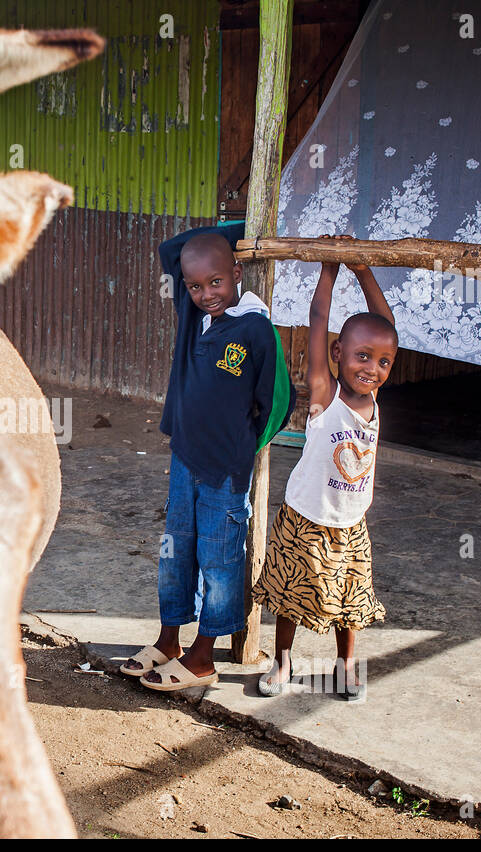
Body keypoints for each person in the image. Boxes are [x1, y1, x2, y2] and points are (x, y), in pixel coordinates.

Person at [121, 225, 294, 692]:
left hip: (225, 471)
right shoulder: (191, 313)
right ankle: (169, 639)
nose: (205, 294)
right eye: (195, 286)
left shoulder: (256, 329)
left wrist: (242, 445)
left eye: (216, 281)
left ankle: (203, 656)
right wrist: (232, 237)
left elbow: (279, 401)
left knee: (219, 561)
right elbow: (171, 250)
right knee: (175, 552)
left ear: (236, 272)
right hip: (184, 459)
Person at [252, 235, 397, 701]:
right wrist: (332, 267)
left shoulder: (373, 399)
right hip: (305, 518)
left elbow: (386, 325)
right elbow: (319, 320)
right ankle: (282, 661)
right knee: (291, 597)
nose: (372, 368)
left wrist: (364, 269)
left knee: (351, 603)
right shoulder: (324, 393)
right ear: (337, 354)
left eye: (383, 362)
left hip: (351, 524)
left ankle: (346, 665)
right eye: (361, 356)